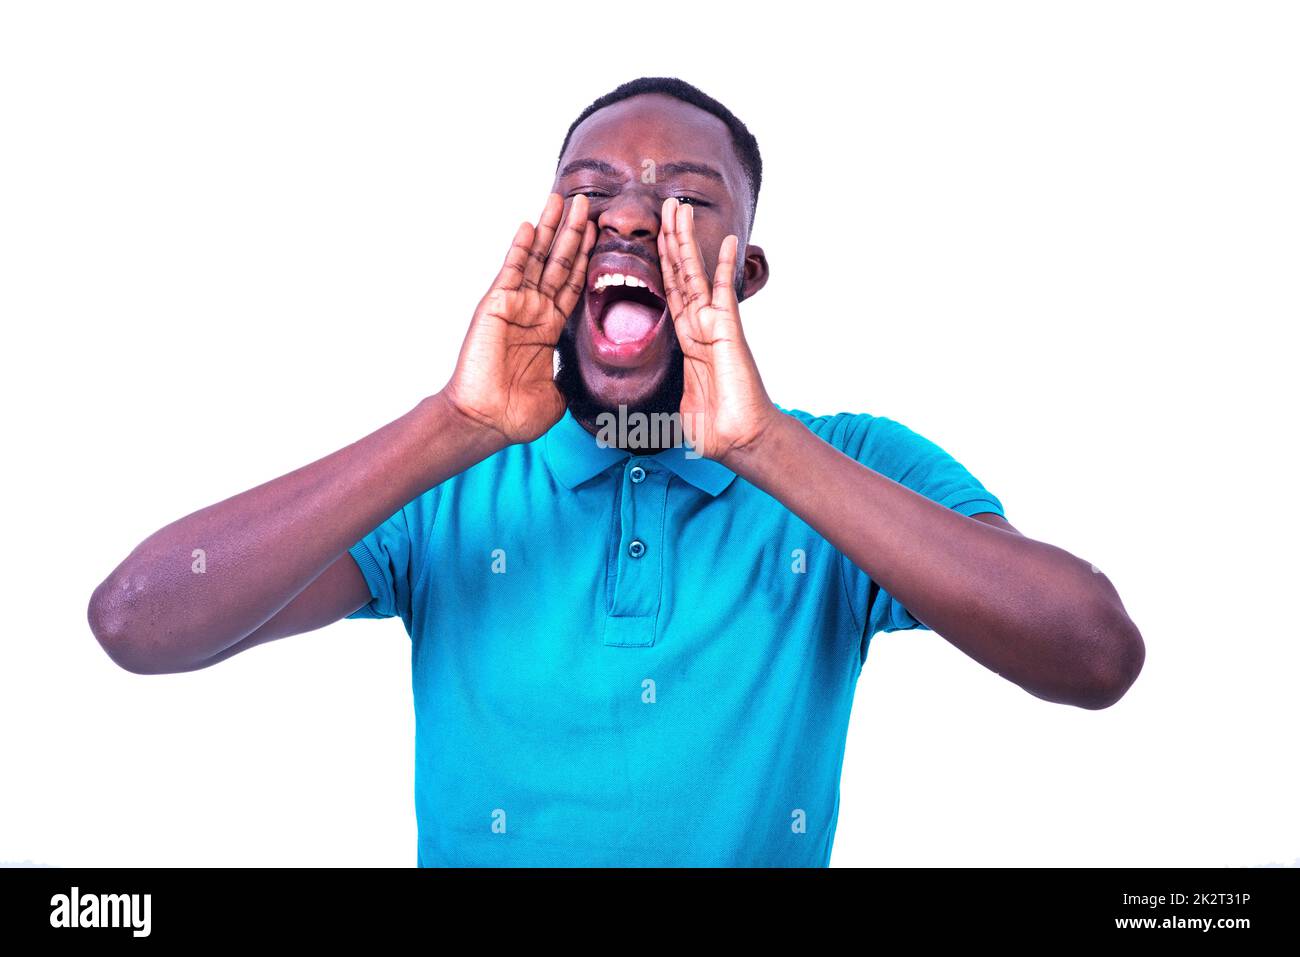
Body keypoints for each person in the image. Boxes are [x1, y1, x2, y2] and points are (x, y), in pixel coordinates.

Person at [88, 76, 1145, 867]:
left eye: (687, 200)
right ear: (542, 238)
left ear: (750, 272)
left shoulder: (849, 463)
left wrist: (765, 446)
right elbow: (137, 622)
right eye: (589, 193)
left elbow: (1093, 654)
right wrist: (450, 427)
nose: (631, 216)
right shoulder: (448, 482)